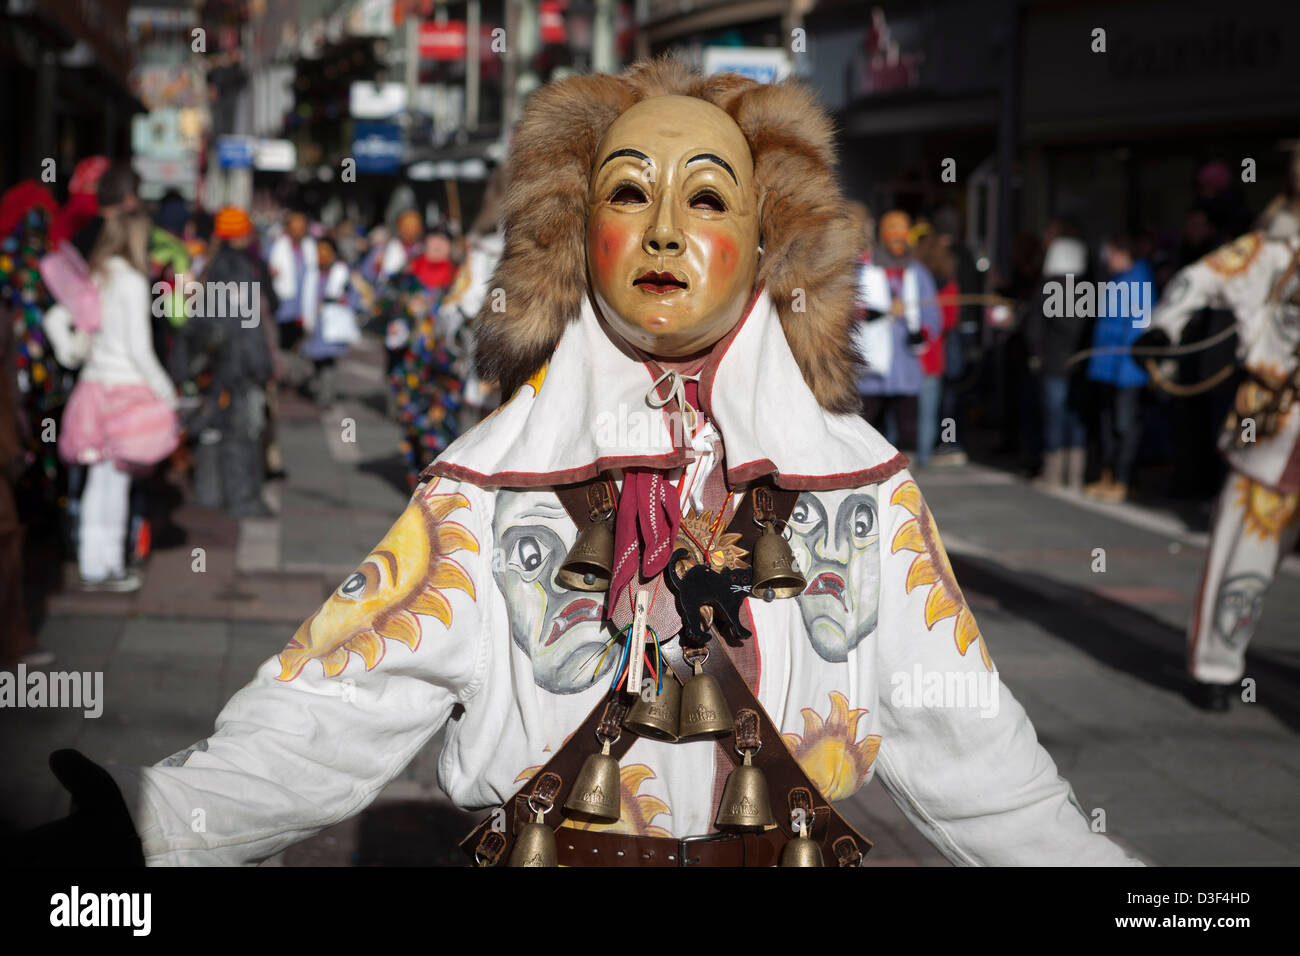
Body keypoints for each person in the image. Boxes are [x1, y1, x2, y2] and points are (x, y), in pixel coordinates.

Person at [18, 60, 1137, 867]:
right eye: (626, 194)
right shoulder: (488, 481)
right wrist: (148, 824)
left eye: (704, 196)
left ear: (764, 236)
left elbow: (990, 775)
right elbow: (329, 708)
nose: (661, 232)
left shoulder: (862, 487)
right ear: (571, 232)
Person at [1138, 228, 1300, 711]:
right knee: (1243, 558)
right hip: (1274, 423)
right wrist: (1164, 327)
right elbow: (1201, 276)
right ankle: (1216, 668)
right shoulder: (1276, 250)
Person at [57, 211, 179, 591]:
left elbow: (58, 318)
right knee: (117, 481)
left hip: (94, 387)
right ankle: (108, 564)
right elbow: (140, 348)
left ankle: (95, 563)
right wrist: (166, 391)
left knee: (97, 478)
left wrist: (69, 352)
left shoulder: (98, 273)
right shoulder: (131, 280)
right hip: (127, 389)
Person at [175, 207, 278, 519]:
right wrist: (261, 366)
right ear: (244, 233)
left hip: (219, 365)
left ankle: (211, 494)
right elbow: (244, 328)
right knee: (240, 433)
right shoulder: (240, 267)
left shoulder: (212, 264)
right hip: (238, 367)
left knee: (215, 430)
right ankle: (242, 499)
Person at [856, 210, 941, 454]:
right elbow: (844, 306)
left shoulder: (918, 273)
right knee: (867, 427)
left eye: (901, 230)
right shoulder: (861, 268)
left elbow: (932, 314)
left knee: (908, 428)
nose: (896, 236)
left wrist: (922, 333)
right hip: (870, 371)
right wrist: (869, 313)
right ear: (882, 234)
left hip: (906, 367)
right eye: (891, 229)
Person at [1085, 236, 1153, 502]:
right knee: (1108, 423)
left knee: (1125, 426)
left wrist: (1125, 365)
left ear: (1124, 253)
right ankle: (1108, 474)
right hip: (1106, 366)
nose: (1107, 260)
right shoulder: (1117, 280)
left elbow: (1137, 331)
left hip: (1125, 368)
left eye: (1111, 254)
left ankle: (1124, 479)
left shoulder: (1138, 282)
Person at [1026, 233, 1090, 491]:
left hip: (1053, 363)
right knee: (1075, 418)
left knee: (1054, 416)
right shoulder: (1087, 290)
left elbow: (1034, 330)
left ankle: (1052, 473)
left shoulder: (1047, 289)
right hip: (1080, 363)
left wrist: (1035, 354)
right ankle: (1075, 474)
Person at [910, 221, 958, 469]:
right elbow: (950, 319)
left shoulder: (909, 278)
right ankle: (924, 457)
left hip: (907, 356)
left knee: (903, 409)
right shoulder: (947, 283)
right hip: (934, 355)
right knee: (928, 411)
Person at [301, 236, 355, 407]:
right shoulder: (312, 273)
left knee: (328, 362)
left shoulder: (342, 273)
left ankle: (326, 396)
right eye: (319, 252)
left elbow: (354, 296)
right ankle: (319, 389)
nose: (322, 256)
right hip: (316, 324)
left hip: (332, 324)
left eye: (326, 252)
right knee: (317, 360)